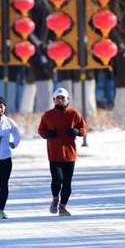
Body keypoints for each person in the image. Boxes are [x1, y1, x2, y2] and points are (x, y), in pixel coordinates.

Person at [37, 87, 87, 217]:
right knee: (57, 179)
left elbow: (84, 128)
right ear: (54, 100)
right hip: (54, 154)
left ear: (68, 99)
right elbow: (41, 130)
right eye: (58, 98)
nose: (60, 100)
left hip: (70, 154)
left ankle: (63, 206)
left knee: (67, 182)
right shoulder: (48, 115)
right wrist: (48, 134)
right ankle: (55, 198)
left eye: (63, 98)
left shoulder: (74, 114)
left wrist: (77, 131)